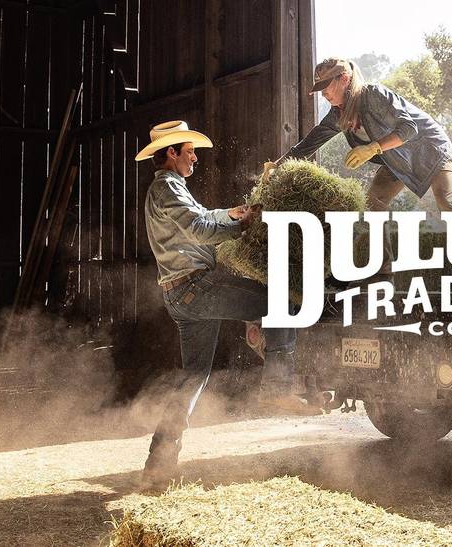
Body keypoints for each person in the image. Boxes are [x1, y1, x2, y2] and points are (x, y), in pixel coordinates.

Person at [135, 120, 317, 489]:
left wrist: (232, 214)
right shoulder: (169, 187)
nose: (195, 159)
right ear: (172, 153)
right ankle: (278, 384)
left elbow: (202, 217)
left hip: (181, 294)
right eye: (190, 152)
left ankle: (159, 462)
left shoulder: (166, 190)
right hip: (196, 287)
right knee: (278, 299)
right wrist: (241, 227)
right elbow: (200, 229)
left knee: (193, 376)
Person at [283, 57, 452, 212]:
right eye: (320, 88)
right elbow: (309, 144)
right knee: (373, 204)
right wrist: (277, 165)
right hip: (395, 158)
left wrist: (372, 148)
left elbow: (409, 128)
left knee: (446, 200)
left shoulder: (373, 94)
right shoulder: (338, 113)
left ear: (345, 78)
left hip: (430, 148)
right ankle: (384, 256)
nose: (323, 93)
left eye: (326, 86)